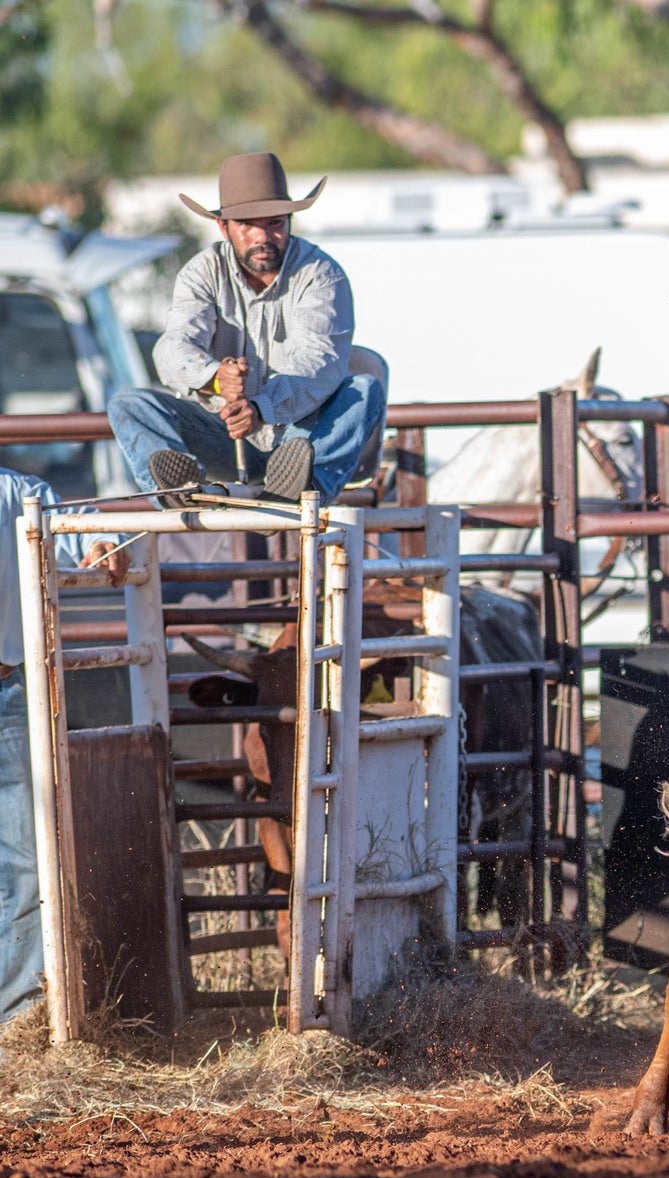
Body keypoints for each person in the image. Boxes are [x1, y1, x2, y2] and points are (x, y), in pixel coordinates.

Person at [108, 153, 384, 507]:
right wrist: (214, 379)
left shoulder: (321, 274)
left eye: (274, 223)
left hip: (303, 437)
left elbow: (319, 362)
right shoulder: (202, 272)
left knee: (363, 389)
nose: (262, 236)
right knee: (128, 405)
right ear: (224, 228)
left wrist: (261, 407)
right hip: (225, 432)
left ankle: (305, 487)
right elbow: (173, 346)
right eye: (247, 225)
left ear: (290, 221)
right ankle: (179, 493)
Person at [0, 475, 124, 1026]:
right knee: (26, 860)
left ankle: (17, 1020)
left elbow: (79, 522)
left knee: (28, 861)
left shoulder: (11, 492)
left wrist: (100, 542)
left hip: (7, 687)